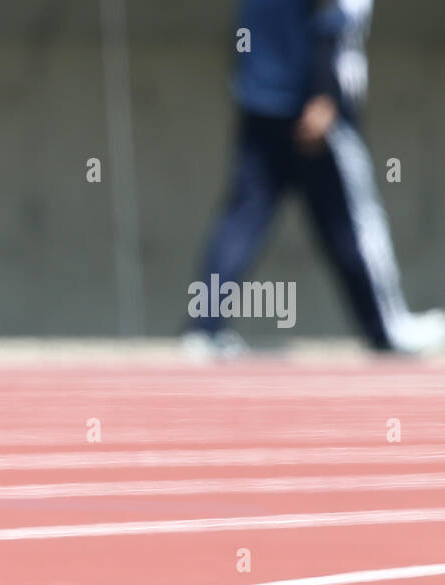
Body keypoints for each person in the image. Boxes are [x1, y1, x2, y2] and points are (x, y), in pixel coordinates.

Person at [185, 0, 444, 359]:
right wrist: (325, 94)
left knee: (243, 219)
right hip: (311, 109)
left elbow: (244, 33)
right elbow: (334, 21)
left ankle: (204, 328)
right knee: (352, 223)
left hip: (261, 104)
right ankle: (387, 327)